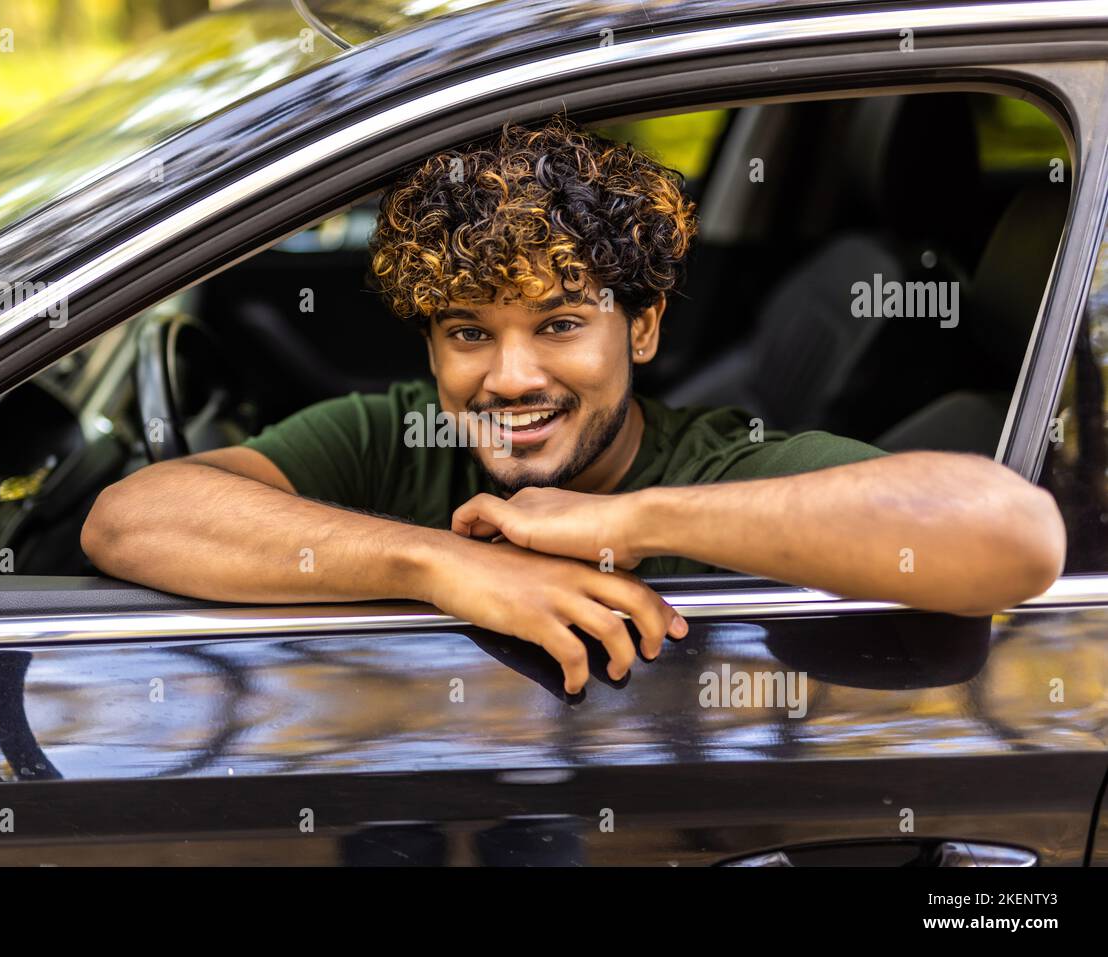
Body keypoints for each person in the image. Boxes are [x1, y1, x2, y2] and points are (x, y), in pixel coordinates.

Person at [81, 114, 1065, 693]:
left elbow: (1010, 535)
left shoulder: (717, 465)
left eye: (558, 325)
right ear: (431, 347)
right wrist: (440, 564)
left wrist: (624, 519)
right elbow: (132, 518)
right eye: (468, 332)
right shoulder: (391, 440)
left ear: (639, 330)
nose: (509, 377)